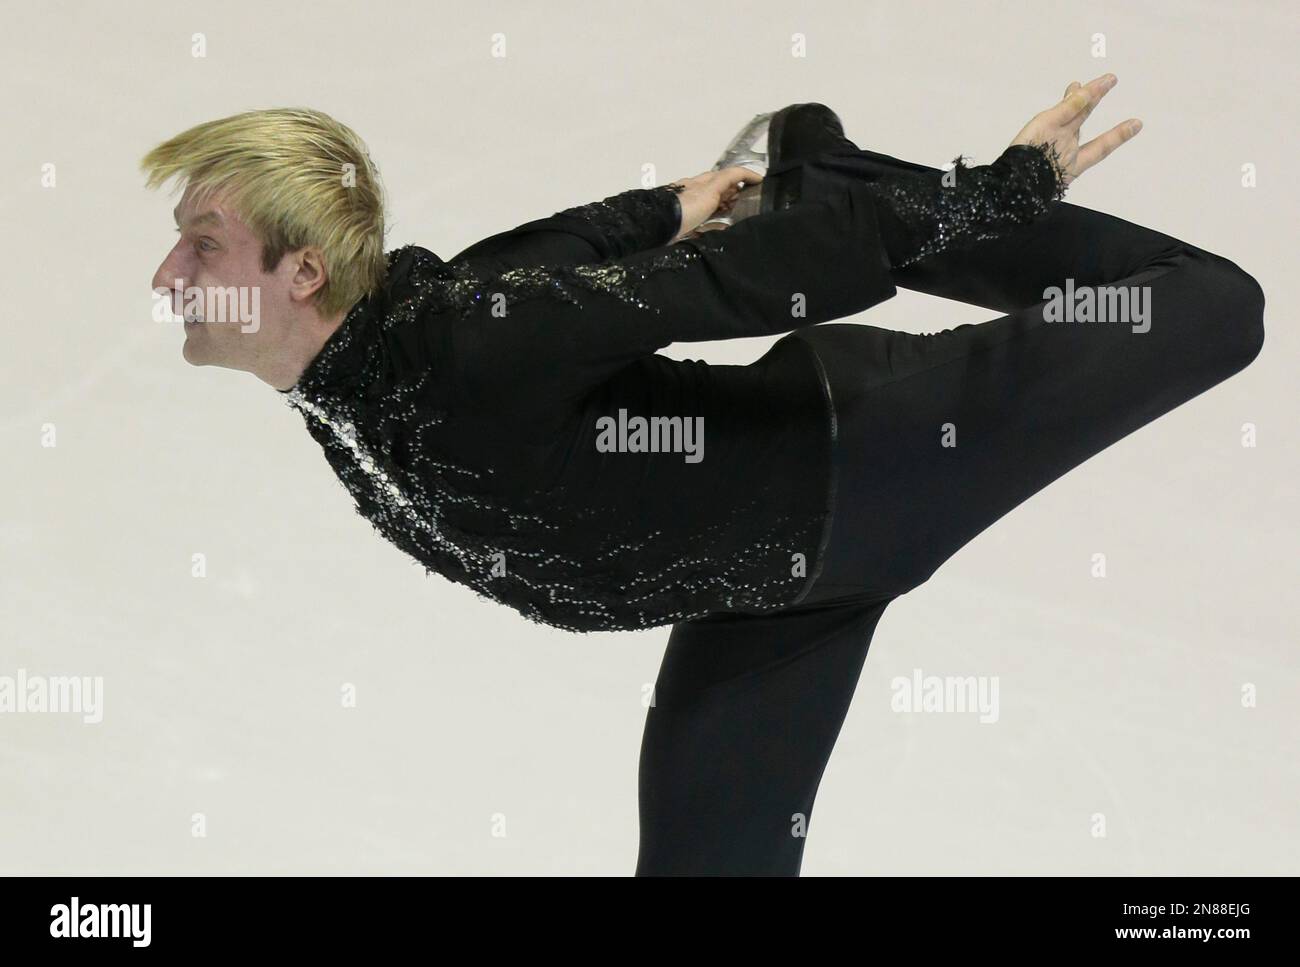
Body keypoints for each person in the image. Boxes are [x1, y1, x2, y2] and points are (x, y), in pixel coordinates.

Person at [142, 73, 1264, 875]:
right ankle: (829, 180)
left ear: (303, 272)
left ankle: (843, 179)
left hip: (876, 456)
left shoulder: (466, 341)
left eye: (203, 244)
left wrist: (994, 195)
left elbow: (737, 282)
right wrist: (660, 208)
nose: (168, 273)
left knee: (1212, 305)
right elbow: (542, 261)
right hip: (757, 598)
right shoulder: (369, 360)